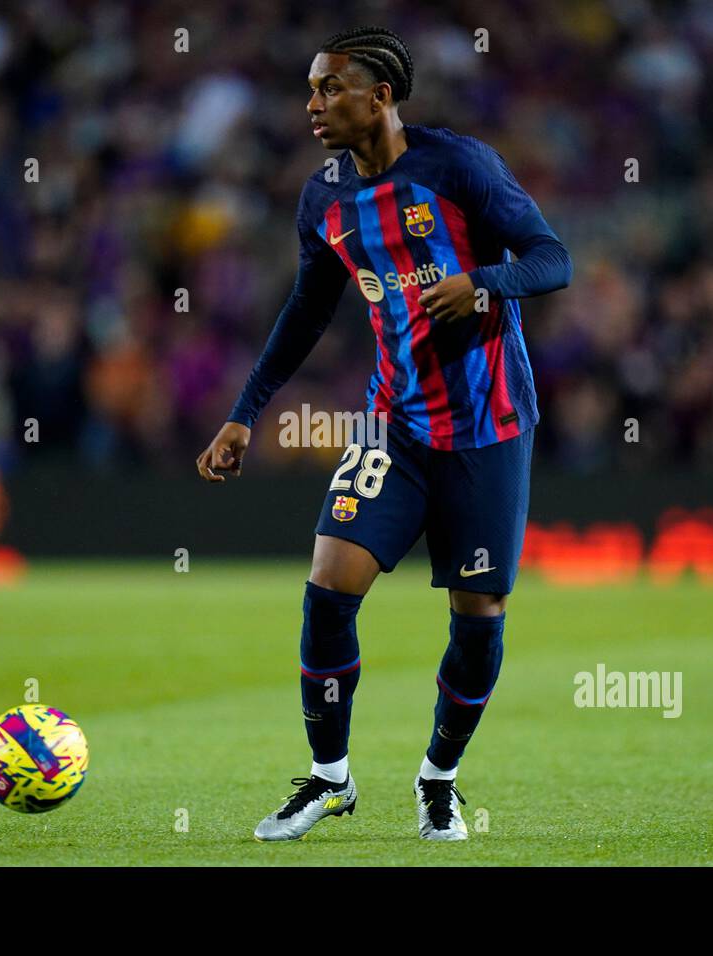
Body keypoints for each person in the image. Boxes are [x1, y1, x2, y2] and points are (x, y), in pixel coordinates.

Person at [195, 25, 572, 842]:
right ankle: (329, 779)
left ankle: (438, 780)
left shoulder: (458, 166)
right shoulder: (324, 198)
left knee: (478, 619)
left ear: (382, 96)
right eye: (311, 88)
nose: (313, 104)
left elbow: (552, 258)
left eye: (331, 88)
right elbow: (307, 311)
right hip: (392, 427)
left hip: (488, 428)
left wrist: (482, 282)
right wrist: (243, 412)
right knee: (329, 587)